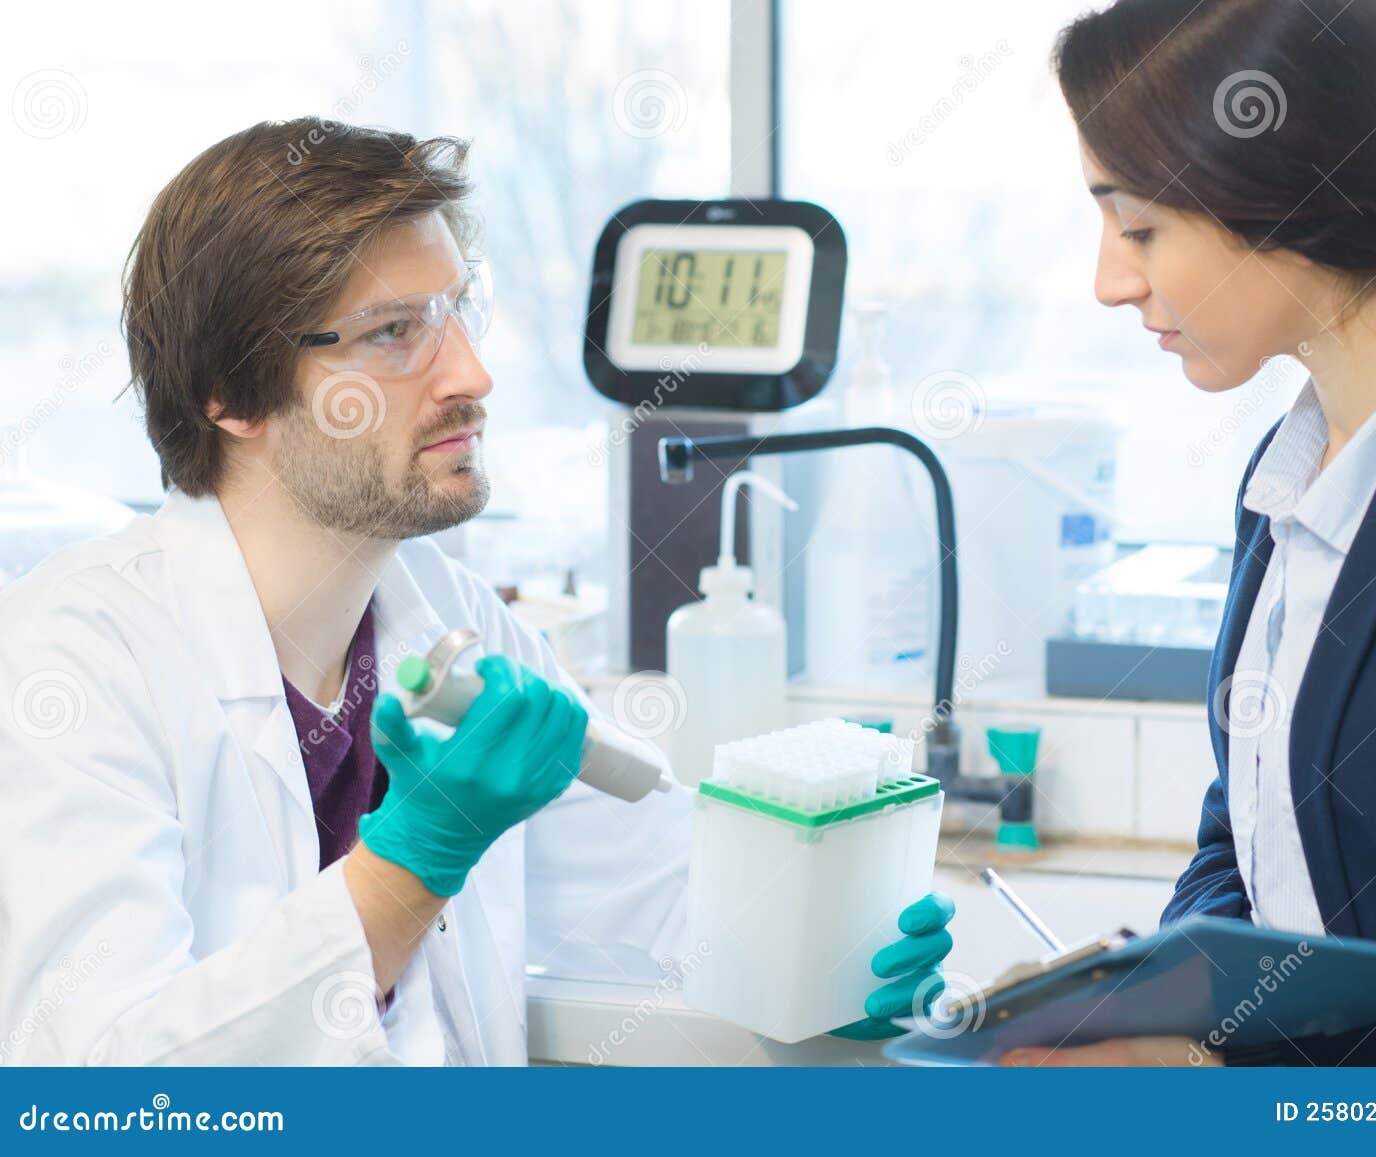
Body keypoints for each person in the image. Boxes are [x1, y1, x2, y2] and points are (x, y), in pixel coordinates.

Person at [0, 118, 950, 1065]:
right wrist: (410, 866)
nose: (472, 375)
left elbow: (663, 883)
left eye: (456, 311)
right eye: (392, 332)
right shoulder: (76, 661)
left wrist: (833, 948)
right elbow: (99, 1090)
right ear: (230, 392)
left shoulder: (453, 616)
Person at [1003, 0, 1376, 1066]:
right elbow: (1247, 841)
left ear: (1281, 197)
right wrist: (1130, 997)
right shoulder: (1290, 477)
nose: (1111, 280)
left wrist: (1221, 1082)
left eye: (1138, 226)